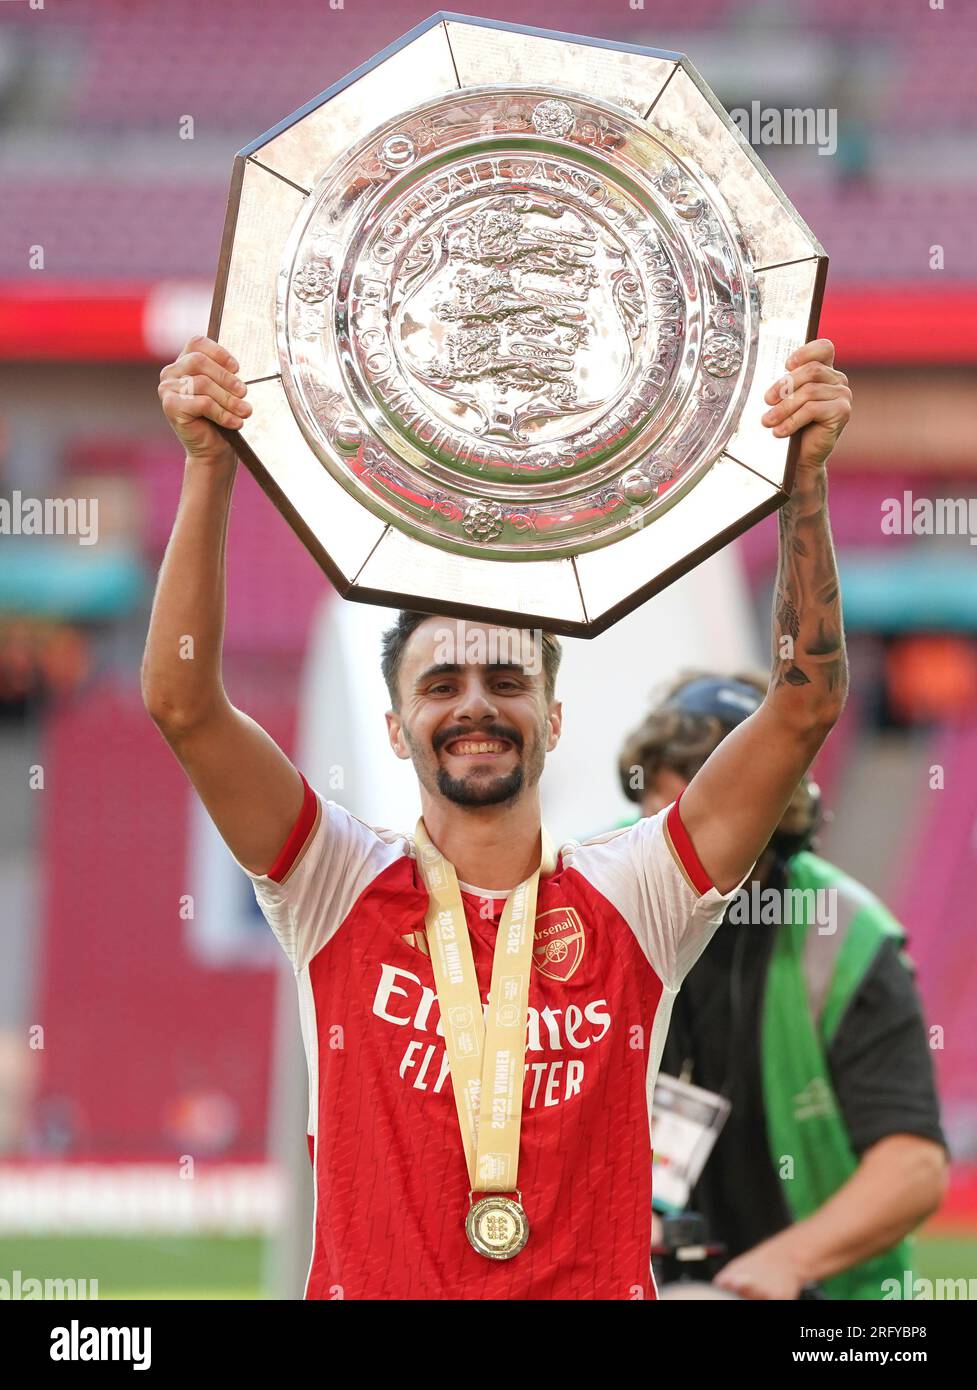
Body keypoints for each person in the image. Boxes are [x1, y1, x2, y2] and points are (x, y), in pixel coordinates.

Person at [144, 331, 852, 1300]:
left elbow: (801, 703)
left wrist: (801, 485)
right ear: (398, 727)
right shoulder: (331, 884)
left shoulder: (637, 891)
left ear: (551, 717)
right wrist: (208, 467)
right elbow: (183, 702)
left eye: (504, 677)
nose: (473, 703)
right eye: (440, 681)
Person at [620, 672, 948, 1300]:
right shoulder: (590, 885)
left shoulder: (849, 936)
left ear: (780, 806)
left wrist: (789, 1260)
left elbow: (912, 1165)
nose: (684, 834)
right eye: (663, 811)